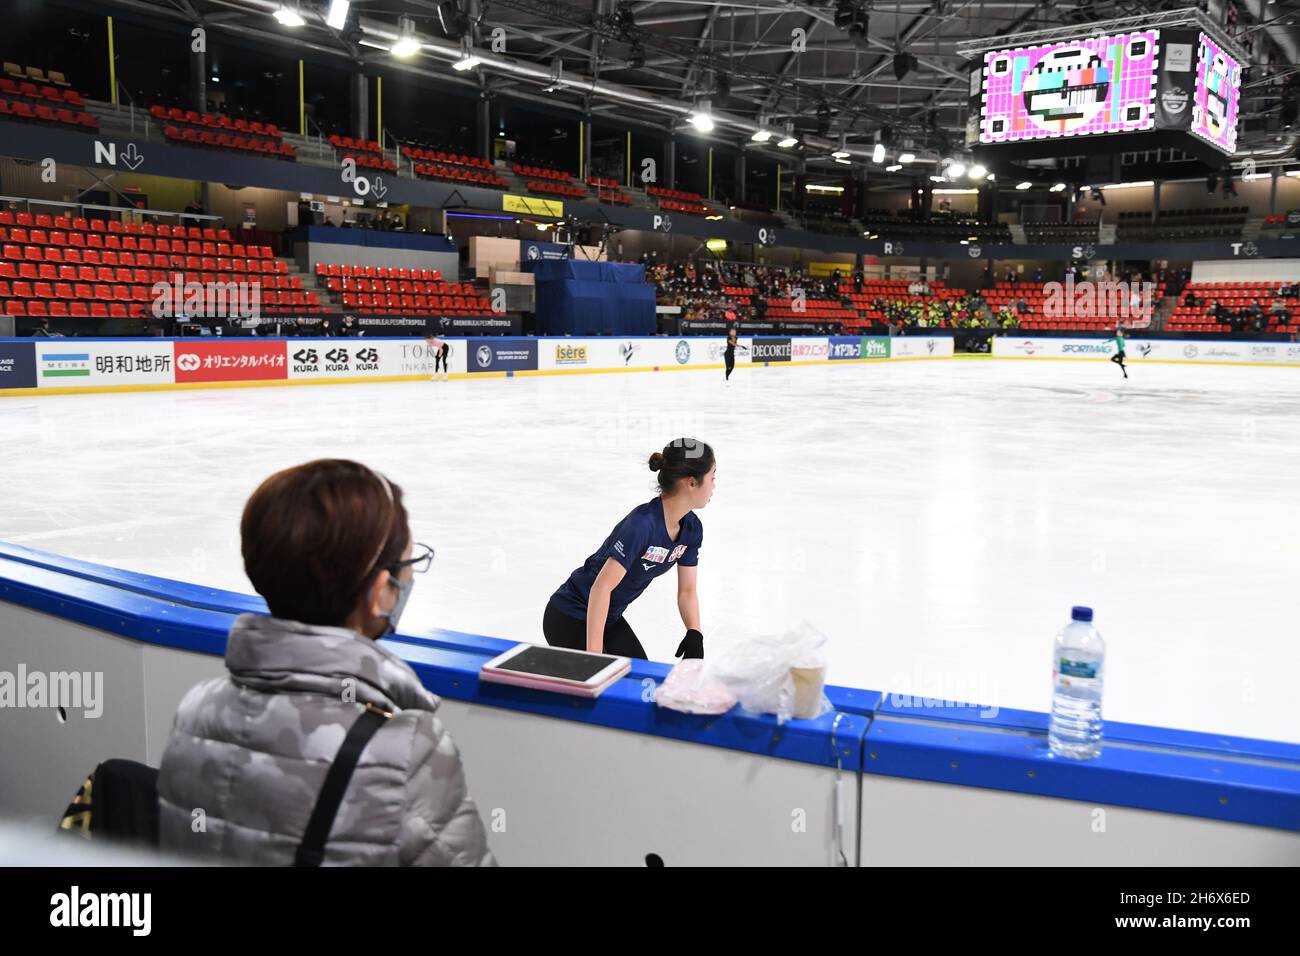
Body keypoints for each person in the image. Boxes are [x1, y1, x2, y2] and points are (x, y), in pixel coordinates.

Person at [156, 459, 495, 866]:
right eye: (405, 567)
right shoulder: (406, 749)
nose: (407, 582)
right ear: (379, 593)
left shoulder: (197, 709)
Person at [543, 439, 714, 660]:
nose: (714, 486)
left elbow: (687, 591)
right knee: (604, 688)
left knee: (642, 679)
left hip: (609, 618)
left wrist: (694, 633)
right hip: (570, 615)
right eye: (712, 478)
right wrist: (594, 657)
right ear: (691, 483)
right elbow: (601, 588)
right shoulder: (642, 525)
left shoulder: (692, 529)